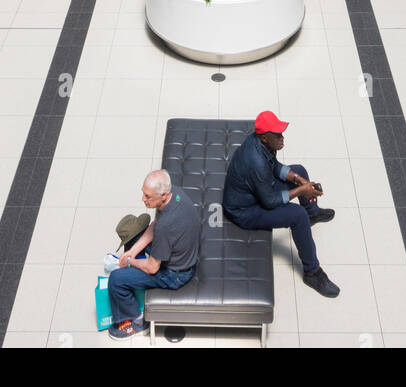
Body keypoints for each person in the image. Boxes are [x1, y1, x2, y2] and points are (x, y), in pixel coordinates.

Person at [222, 110, 339, 299]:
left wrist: (298, 179)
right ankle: (312, 272)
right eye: (277, 135)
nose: (282, 137)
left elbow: (274, 166)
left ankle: (312, 213)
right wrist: (302, 190)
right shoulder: (256, 161)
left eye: (281, 133)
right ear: (265, 138)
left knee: (299, 169)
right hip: (245, 210)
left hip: (259, 190)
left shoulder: (261, 143)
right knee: (297, 215)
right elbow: (269, 202)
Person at [106, 168, 199, 340]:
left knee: (116, 280)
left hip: (176, 274)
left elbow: (152, 268)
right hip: (182, 252)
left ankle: (137, 321)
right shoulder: (175, 193)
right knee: (133, 240)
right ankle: (134, 258)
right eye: (143, 194)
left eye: (148, 196)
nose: (143, 199)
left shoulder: (166, 227)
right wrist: (132, 252)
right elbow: (156, 224)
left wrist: (130, 262)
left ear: (163, 195)